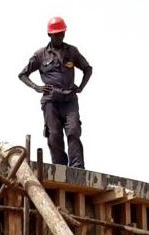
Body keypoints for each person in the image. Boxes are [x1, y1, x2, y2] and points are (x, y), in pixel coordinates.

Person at [18, 16, 93, 169]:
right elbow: (23, 74)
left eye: (62, 33)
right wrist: (36, 87)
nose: (60, 36)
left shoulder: (72, 51)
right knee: (54, 135)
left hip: (70, 100)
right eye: (57, 34)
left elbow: (88, 69)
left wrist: (81, 87)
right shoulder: (40, 55)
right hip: (51, 101)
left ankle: (77, 168)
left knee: (73, 131)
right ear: (50, 35)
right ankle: (60, 167)